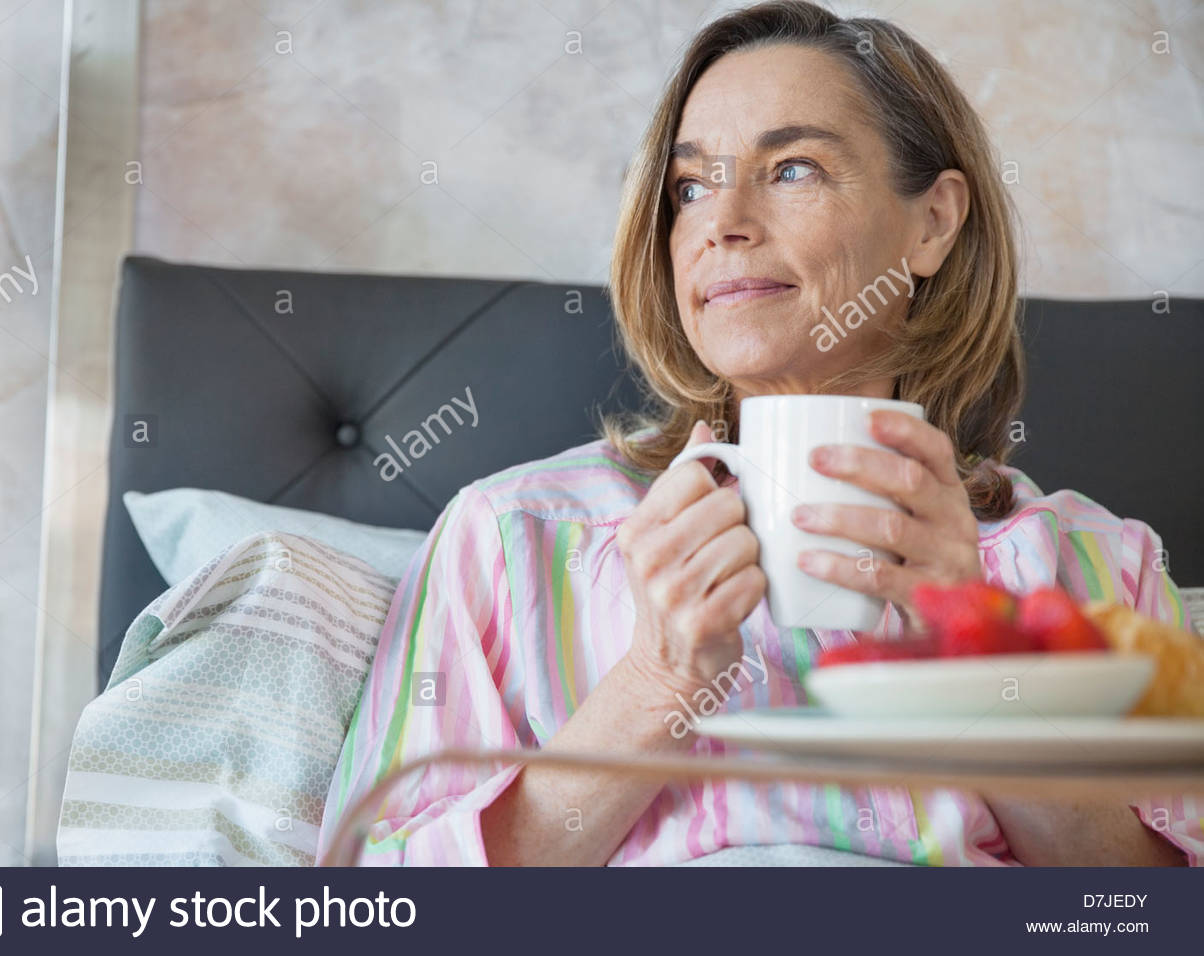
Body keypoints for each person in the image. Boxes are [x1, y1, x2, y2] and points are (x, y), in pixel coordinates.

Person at [317, 0, 1199, 866]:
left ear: (933, 221)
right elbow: (375, 903)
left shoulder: (1097, 566)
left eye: (794, 169)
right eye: (690, 187)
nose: (722, 223)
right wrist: (655, 683)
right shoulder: (509, 541)